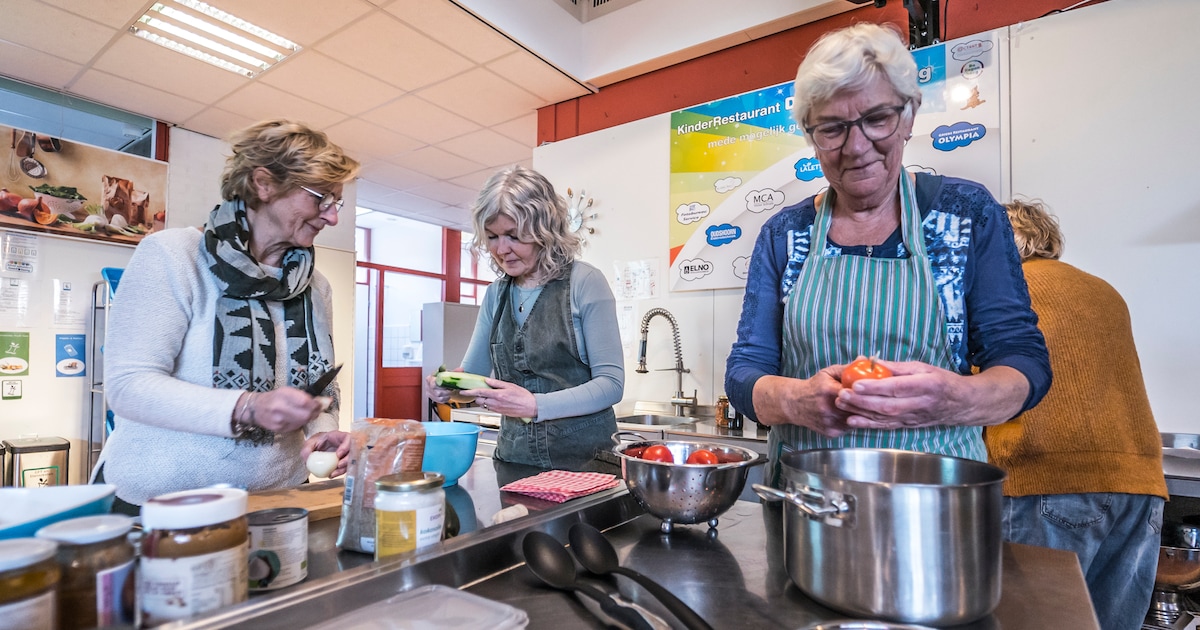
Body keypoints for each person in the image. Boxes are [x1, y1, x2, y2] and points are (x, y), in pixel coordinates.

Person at [724, 23, 1052, 487]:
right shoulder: (785, 234)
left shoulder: (964, 215)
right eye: (832, 129)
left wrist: (956, 398)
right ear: (810, 135)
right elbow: (744, 373)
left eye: (877, 118)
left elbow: (1024, 361)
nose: (856, 147)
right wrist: (796, 401)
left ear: (909, 115)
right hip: (809, 501)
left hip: (936, 499)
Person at [93, 119, 360, 513]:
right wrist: (246, 407)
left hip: (278, 499)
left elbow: (317, 389)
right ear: (263, 183)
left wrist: (324, 432)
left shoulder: (315, 286)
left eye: (335, 202)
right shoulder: (173, 255)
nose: (331, 216)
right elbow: (129, 386)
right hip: (164, 505)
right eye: (320, 197)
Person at [985, 199, 1166, 630]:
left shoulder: (1005, 295)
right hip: (1139, 484)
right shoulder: (1103, 290)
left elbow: (980, 390)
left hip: (1045, 479)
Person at [424, 165, 623, 470]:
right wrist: (447, 388)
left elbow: (611, 384)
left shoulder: (585, 282)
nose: (502, 249)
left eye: (514, 236)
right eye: (492, 236)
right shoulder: (495, 295)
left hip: (583, 464)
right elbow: (475, 384)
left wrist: (535, 405)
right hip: (514, 461)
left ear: (545, 230)